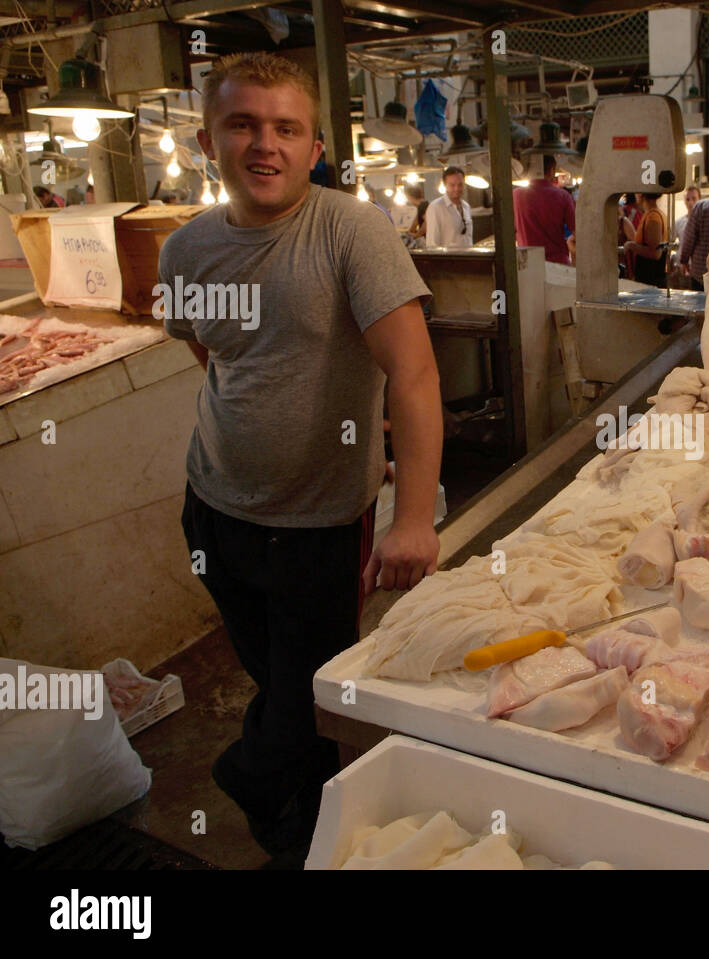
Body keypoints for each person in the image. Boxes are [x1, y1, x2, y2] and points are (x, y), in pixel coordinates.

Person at [160, 52, 442, 866]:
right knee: (278, 685)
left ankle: (270, 800)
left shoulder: (350, 230)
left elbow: (415, 374)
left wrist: (414, 518)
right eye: (243, 124)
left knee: (306, 703)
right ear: (209, 138)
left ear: (314, 144)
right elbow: (215, 359)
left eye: (286, 128)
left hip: (318, 528)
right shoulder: (185, 253)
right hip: (213, 510)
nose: (265, 144)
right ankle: (312, 825)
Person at [513, 153, 576, 265]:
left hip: (527, 265)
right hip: (558, 266)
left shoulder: (515, 195)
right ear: (552, 170)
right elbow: (578, 232)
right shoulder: (563, 196)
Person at [622, 192, 667, 287]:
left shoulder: (653, 217)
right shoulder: (653, 214)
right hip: (650, 278)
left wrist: (632, 246)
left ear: (640, 194)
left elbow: (655, 253)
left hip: (650, 279)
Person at [426, 166, 472, 248]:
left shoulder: (466, 206)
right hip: (448, 259)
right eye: (452, 185)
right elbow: (432, 243)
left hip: (468, 258)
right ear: (445, 185)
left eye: (460, 184)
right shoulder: (436, 207)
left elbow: (468, 237)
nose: (456, 188)